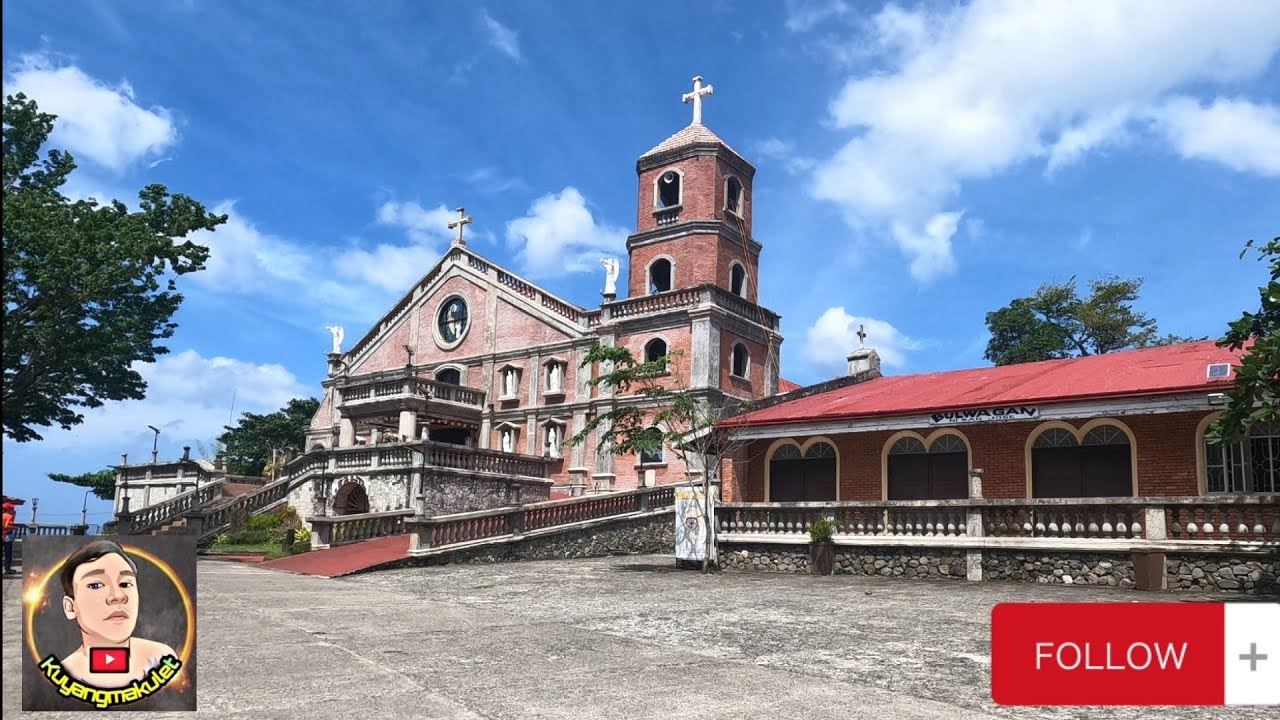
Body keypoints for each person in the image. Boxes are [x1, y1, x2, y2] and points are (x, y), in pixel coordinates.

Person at [58, 540, 177, 688]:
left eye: (125, 584)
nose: (118, 596)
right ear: (70, 607)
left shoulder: (161, 658)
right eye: (96, 585)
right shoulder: (64, 674)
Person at [2, 502, 16, 574]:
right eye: (12, 508)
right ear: (8, 509)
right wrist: (15, 527)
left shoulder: (3, 515)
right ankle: (7, 569)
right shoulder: (9, 516)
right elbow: (7, 526)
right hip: (7, 537)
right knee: (8, 554)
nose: (14, 509)